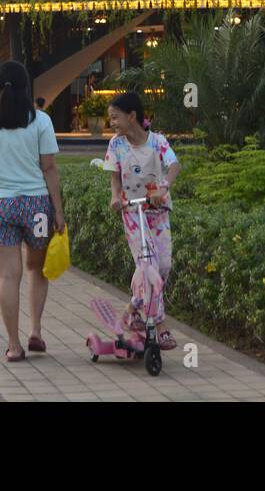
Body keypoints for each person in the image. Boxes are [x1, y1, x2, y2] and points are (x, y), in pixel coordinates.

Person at [0, 60, 64, 362]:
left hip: (1, 206)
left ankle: (13, 346)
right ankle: (35, 330)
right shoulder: (41, 121)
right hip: (36, 207)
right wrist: (59, 212)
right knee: (36, 269)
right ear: (27, 85)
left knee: (8, 276)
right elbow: (49, 168)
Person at [103, 91, 179, 350]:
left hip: (157, 213)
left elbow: (173, 165)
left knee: (163, 267)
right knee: (147, 266)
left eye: (115, 117)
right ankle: (161, 327)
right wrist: (115, 197)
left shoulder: (157, 142)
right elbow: (115, 177)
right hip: (133, 213)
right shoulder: (116, 145)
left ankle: (132, 309)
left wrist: (163, 188)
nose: (112, 123)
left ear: (132, 116)